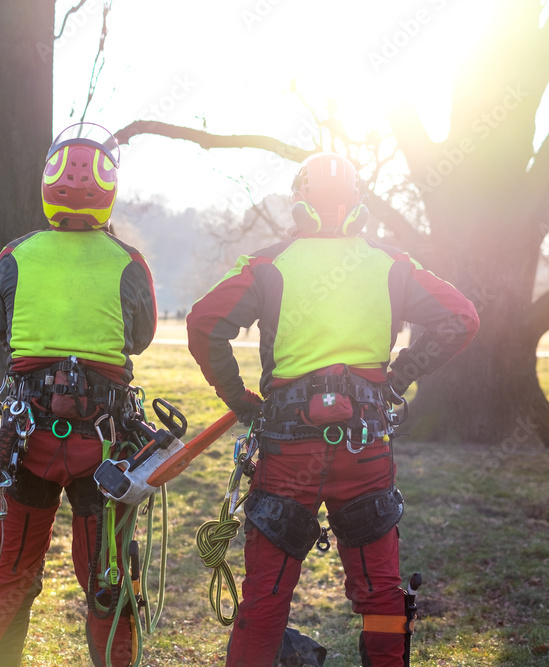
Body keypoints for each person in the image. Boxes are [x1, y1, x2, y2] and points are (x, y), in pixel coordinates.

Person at [186, 152, 479, 667]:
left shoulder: (267, 264)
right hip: (365, 449)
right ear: (358, 206)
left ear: (300, 204)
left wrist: (240, 400)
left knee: (266, 597)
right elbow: (462, 317)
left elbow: (205, 323)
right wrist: (401, 374)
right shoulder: (392, 266)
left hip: (286, 449)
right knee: (382, 596)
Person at [0, 122, 157, 667]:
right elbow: (141, 339)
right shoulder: (128, 262)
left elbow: (1, 332)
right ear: (110, 189)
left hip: (25, 439)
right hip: (101, 446)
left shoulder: (14, 255)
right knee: (107, 578)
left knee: (12, 572)